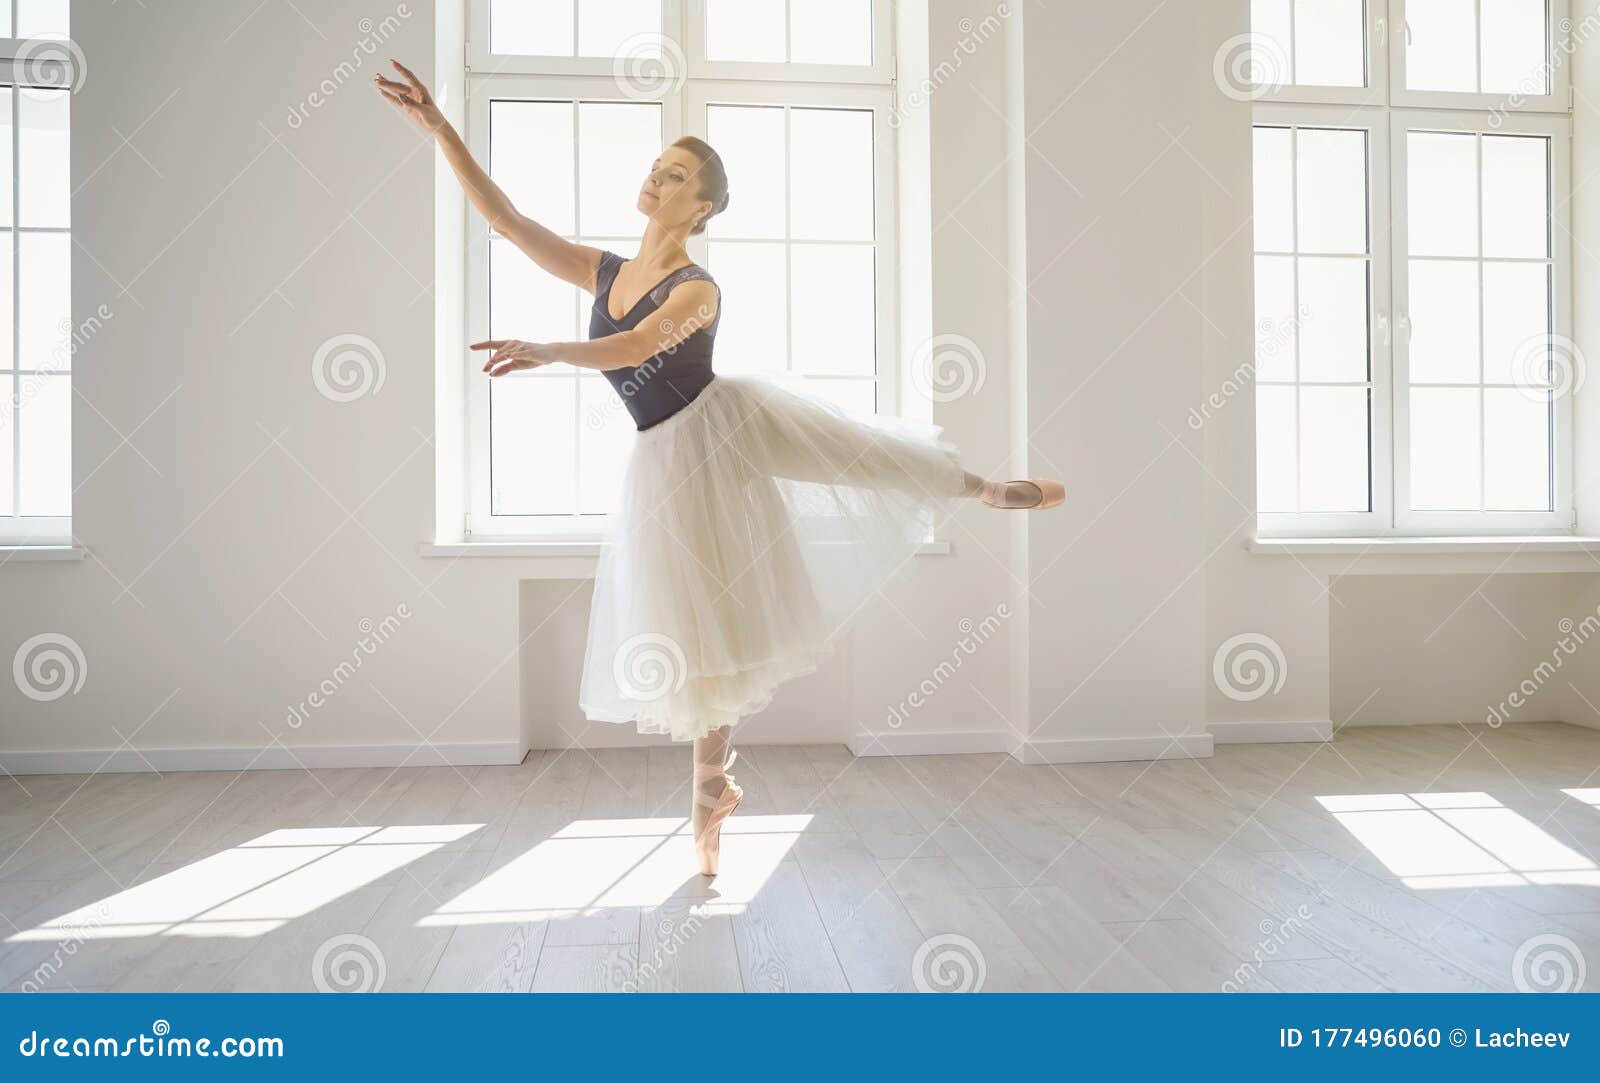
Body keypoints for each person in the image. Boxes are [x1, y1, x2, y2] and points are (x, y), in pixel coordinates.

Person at [375, 60, 1064, 876]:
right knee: (698, 626)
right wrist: (442, 129)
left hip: (717, 429)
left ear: (698, 207)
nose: (654, 177)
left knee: (849, 455)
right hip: (663, 451)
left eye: (673, 176)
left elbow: (635, 346)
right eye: (655, 167)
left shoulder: (700, 289)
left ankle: (982, 486)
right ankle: (711, 788)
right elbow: (511, 222)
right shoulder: (604, 270)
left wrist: (553, 348)